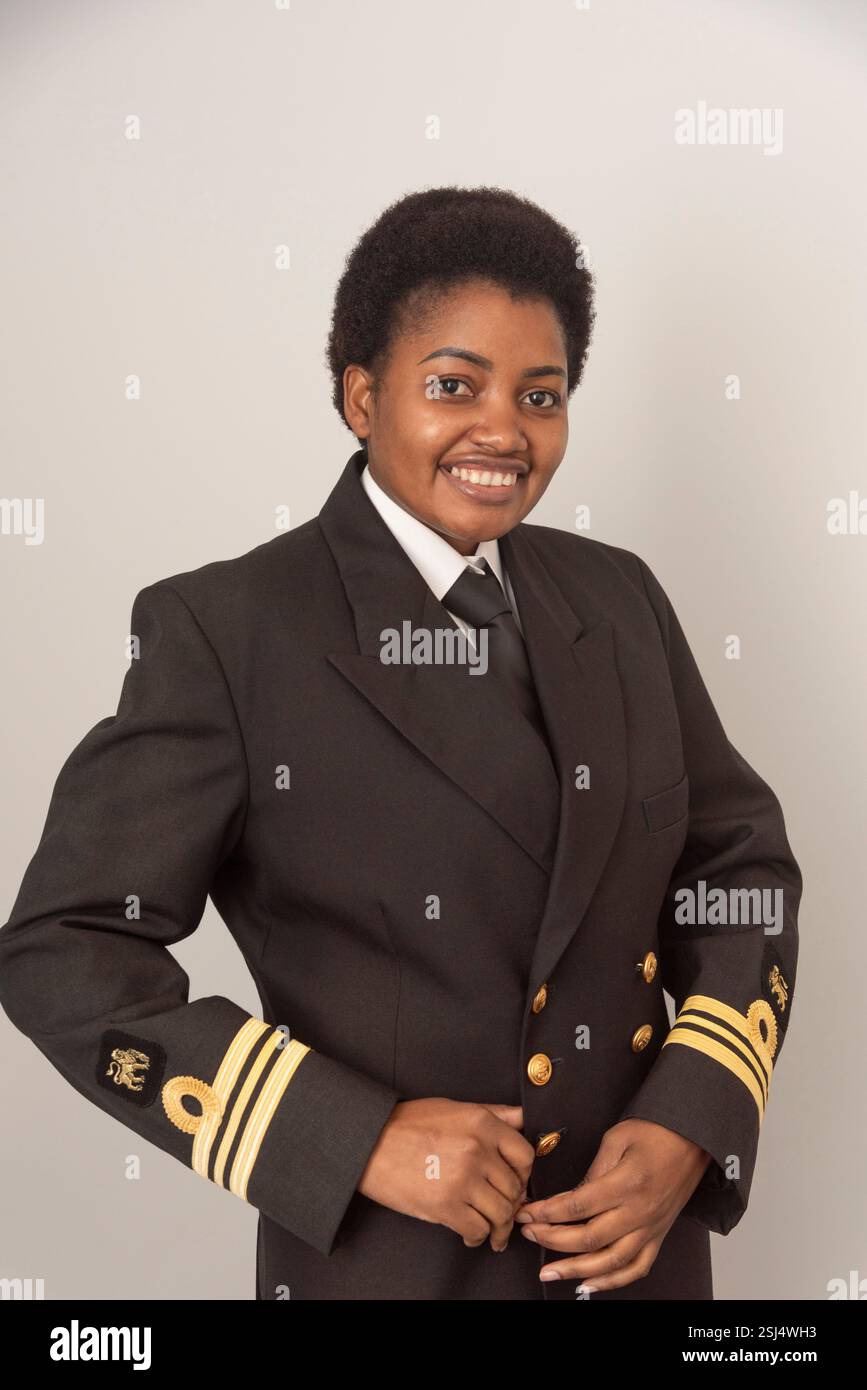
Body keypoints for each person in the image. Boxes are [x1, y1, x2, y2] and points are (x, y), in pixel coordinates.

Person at [0, 185, 801, 1301]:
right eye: (453, 386)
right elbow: (62, 945)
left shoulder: (620, 602)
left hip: (639, 1271)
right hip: (393, 1272)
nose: (504, 431)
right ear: (362, 396)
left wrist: (693, 1110)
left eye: (542, 395)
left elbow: (739, 872)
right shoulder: (231, 631)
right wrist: (348, 1137)